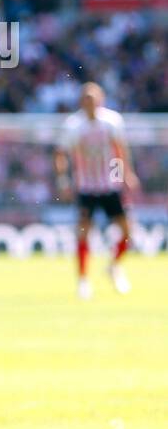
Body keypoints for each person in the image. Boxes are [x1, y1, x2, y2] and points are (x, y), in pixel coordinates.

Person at [55, 82, 138, 298]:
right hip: (86, 188)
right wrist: (63, 180)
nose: (90, 103)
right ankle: (83, 280)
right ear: (81, 102)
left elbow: (120, 150)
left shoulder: (112, 121)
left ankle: (114, 266)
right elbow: (61, 154)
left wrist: (125, 175)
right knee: (83, 232)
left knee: (128, 232)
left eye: (94, 98)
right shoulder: (73, 126)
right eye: (86, 99)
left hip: (110, 186)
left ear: (101, 99)